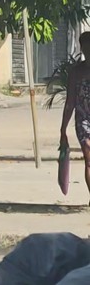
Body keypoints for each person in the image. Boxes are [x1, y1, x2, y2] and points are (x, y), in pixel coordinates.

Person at [61, 32, 90, 203]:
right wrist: (63, 128)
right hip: (83, 120)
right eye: (85, 46)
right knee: (88, 157)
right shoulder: (76, 73)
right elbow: (70, 102)